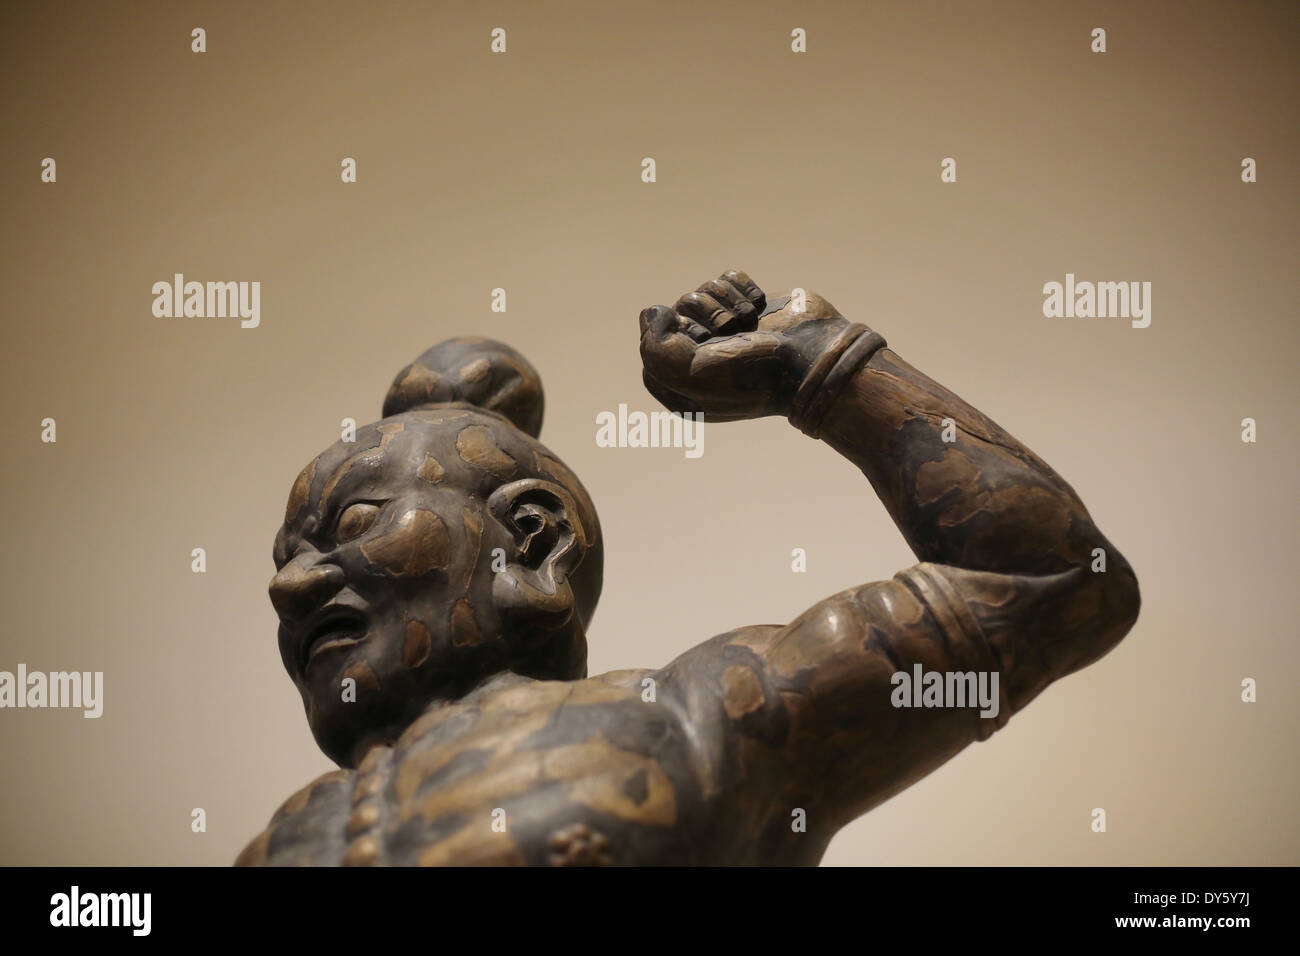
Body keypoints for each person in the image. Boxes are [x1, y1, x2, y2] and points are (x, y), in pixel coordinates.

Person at [236, 270, 1139, 866]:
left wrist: (812, 362)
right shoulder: (282, 839)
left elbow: (1054, 582)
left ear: (537, 542)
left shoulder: (698, 717)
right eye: (289, 558)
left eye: (354, 525)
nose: (291, 586)